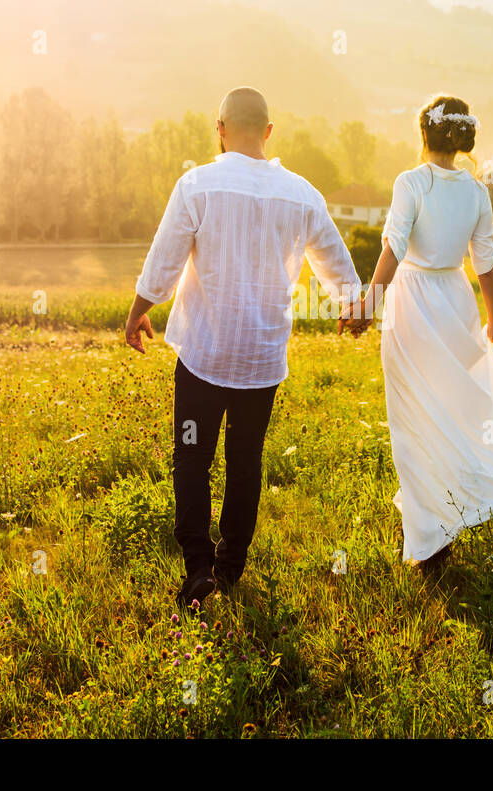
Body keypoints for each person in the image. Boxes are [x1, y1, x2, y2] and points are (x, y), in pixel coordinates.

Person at [125, 86, 365, 610]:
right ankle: (230, 568)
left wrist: (138, 310)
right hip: (261, 359)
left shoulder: (198, 184)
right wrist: (353, 305)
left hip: (205, 353)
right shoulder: (302, 193)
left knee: (191, 458)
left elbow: (164, 259)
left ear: (221, 129)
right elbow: (335, 261)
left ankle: (198, 568)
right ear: (269, 131)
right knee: (245, 460)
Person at [364, 95, 493, 566]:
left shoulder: (410, 182)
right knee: (456, 407)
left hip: (412, 301)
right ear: (462, 138)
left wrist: (369, 302)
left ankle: (429, 530)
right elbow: (487, 264)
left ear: (424, 134)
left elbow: (394, 246)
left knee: (414, 412)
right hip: (455, 300)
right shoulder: (477, 192)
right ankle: (440, 513)